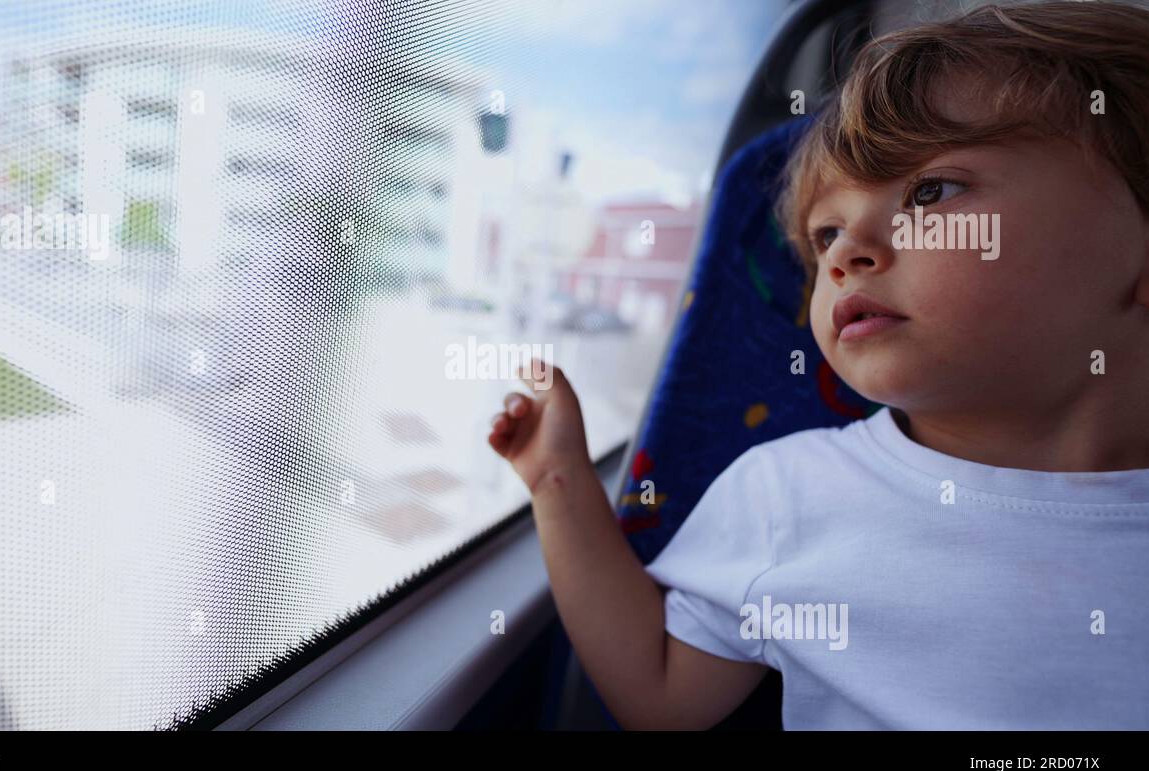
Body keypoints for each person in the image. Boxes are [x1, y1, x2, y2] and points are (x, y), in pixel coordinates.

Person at [486, 1, 1149, 730]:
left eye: (932, 191)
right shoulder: (788, 496)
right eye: (824, 231)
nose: (843, 253)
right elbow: (661, 692)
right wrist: (558, 480)